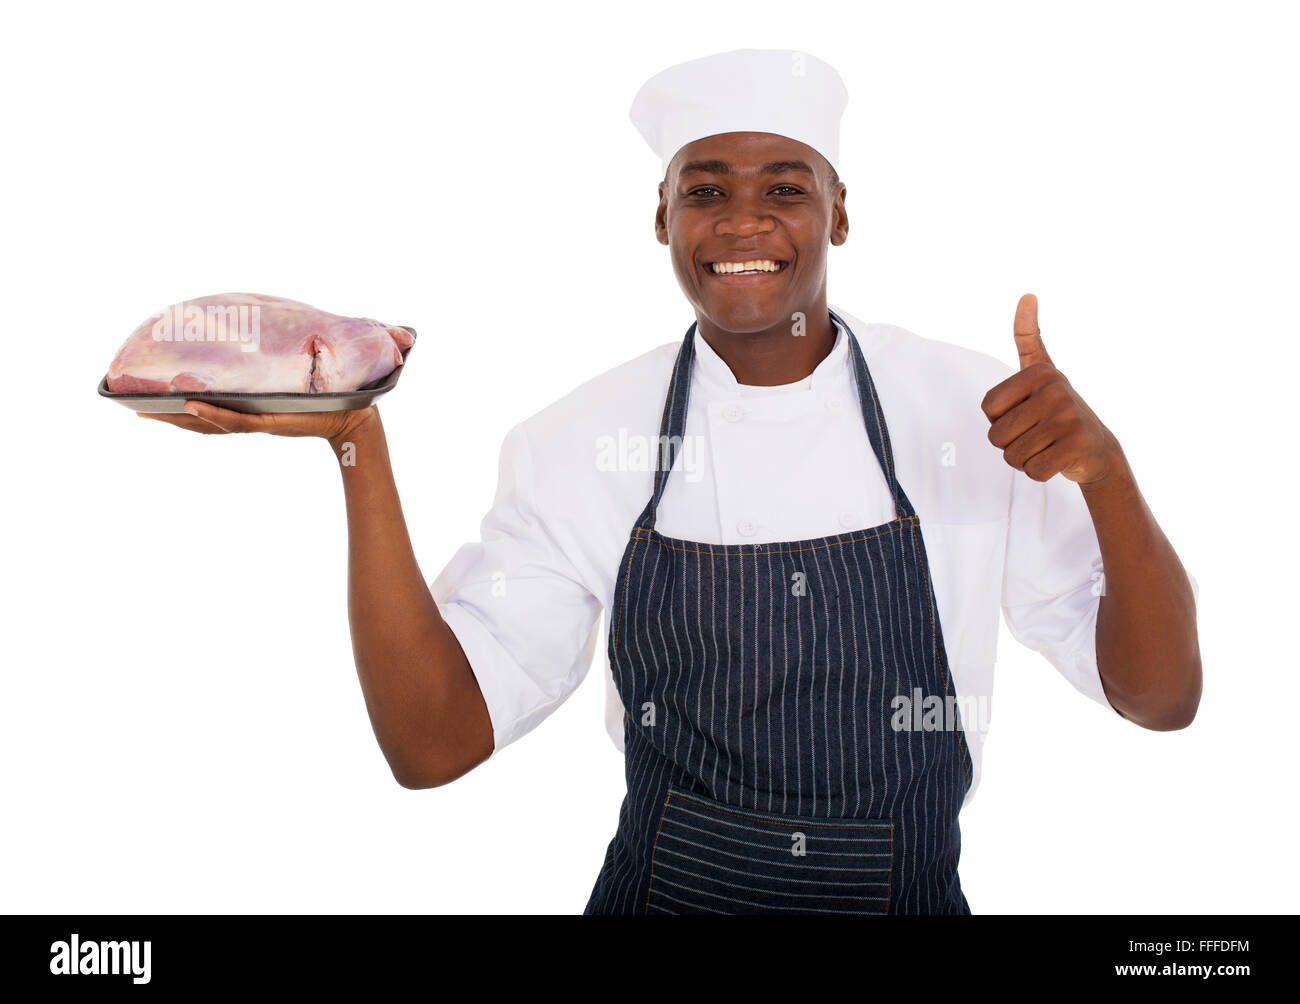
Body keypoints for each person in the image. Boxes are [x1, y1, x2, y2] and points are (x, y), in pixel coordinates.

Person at [143, 49, 1201, 915]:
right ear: (662, 218)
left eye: (786, 187)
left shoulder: (974, 411)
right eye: (706, 191)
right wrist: (356, 446)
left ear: (840, 212)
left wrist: (1105, 473)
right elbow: (432, 743)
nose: (743, 224)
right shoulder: (579, 439)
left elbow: (1161, 697)